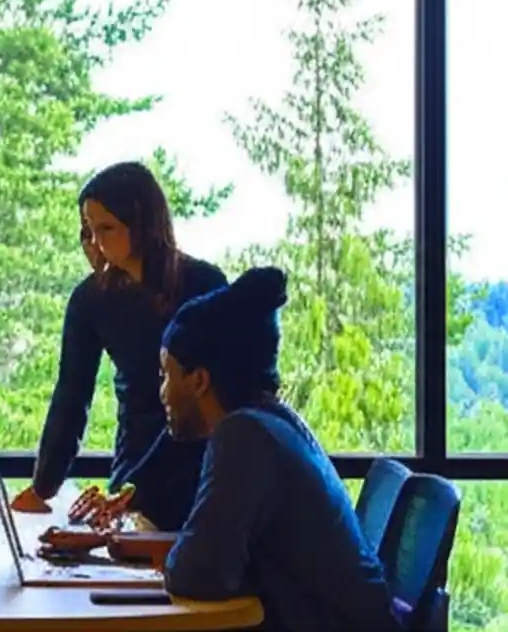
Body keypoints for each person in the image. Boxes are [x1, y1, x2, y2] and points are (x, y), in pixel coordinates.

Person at [158, 267, 400, 630]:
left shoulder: (244, 436)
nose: (161, 391)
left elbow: (198, 575)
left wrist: (180, 557)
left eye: (165, 374)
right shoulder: (275, 423)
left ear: (199, 380)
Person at [12, 161, 227, 531]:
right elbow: (72, 393)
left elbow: (215, 402)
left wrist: (138, 489)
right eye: (87, 231)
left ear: (142, 223)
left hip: (199, 462)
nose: (94, 242)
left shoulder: (203, 284)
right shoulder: (91, 299)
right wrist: (43, 487)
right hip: (132, 462)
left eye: (106, 228)